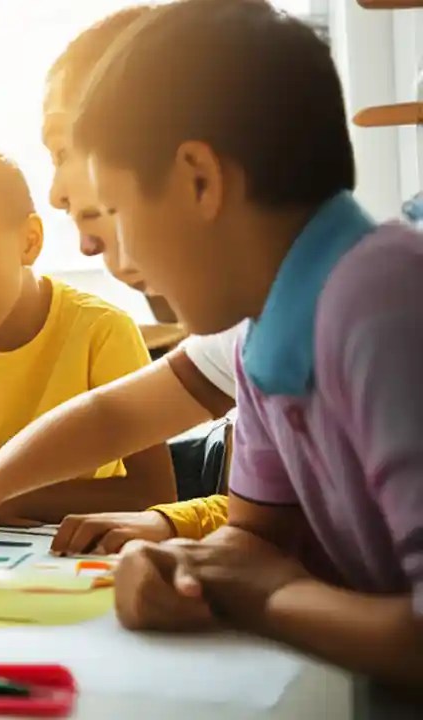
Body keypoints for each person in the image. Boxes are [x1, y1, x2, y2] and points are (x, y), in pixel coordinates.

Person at [81, 0, 420, 690]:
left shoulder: (383, 300)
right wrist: (184, 570)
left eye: (116, 209)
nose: (119, 250)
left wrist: (264, 599)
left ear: (199, 180)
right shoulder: (261, 337)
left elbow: (270, 581)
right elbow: (258, 543)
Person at [0, 6, 244, 578]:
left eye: (65, 152)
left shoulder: (341, 316)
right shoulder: (237, 339)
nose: (58, 195)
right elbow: (111, 418)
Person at [0, 148, 173, 526]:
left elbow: (154, 493)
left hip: (91, 542)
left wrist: (1, 499)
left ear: (29, 241)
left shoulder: (103, 330)